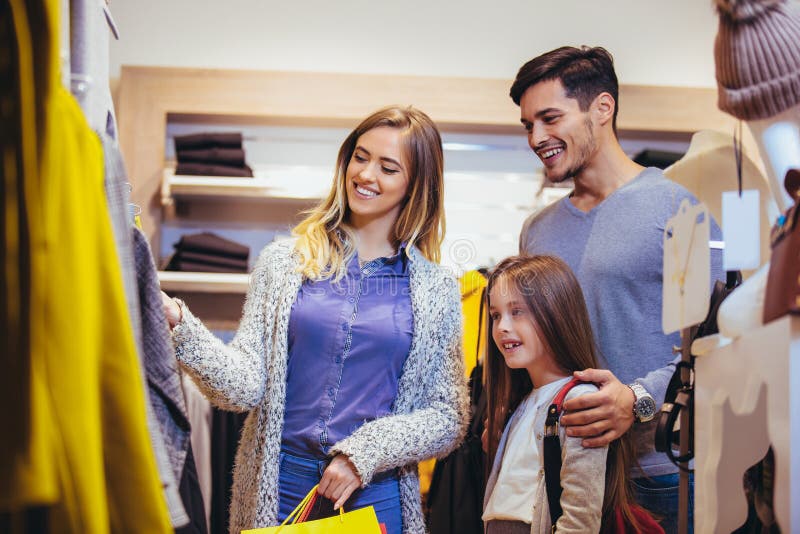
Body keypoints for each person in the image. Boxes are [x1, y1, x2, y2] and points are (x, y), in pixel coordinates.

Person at [161, 106, 469, 534]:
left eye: (388, 167)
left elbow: (447, 416)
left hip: (374, 494)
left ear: (416, 185)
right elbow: (245, 387)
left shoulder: (437, 290)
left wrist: (363, 453)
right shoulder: (283, 264)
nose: (366, 174)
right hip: (281, 483)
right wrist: (179, 323)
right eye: (360, 157)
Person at [510, 46, 723, 533]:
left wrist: (638, 399)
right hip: (561, 469)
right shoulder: (536, 231)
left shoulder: (682, 209)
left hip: (656, 475)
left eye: (549, 118)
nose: (537, 138)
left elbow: (715, 346)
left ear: (601, 108)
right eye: (527, 125)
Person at [483, 255, 654, 534]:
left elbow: (579, 518)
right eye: (495, 315)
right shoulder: (521, 405)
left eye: (517, 311)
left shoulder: (579, 402)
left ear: (555, 313)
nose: (502, 326)